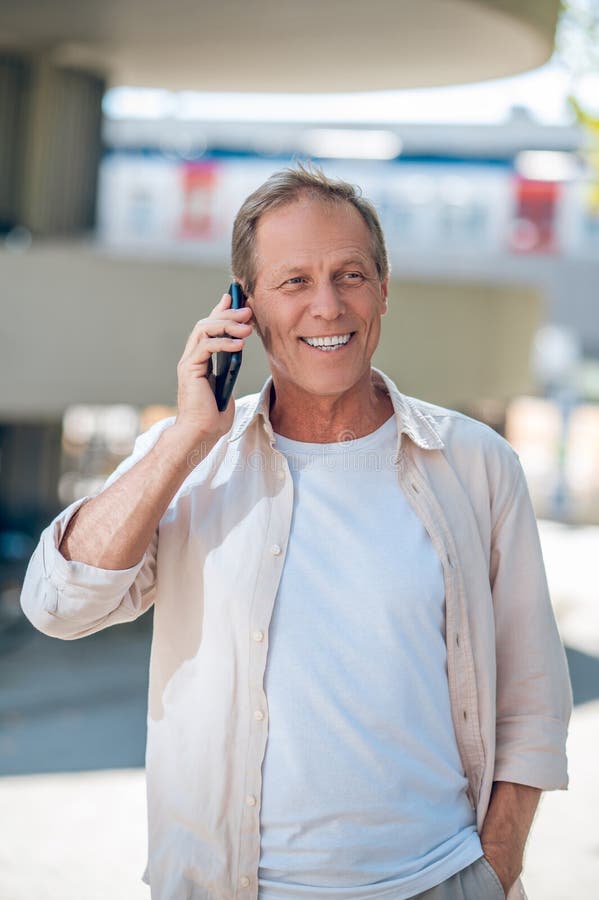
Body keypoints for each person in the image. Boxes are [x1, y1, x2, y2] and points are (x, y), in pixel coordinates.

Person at [21, 165, 572, 900]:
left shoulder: (473, 464)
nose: (327, 306)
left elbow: (531, 695)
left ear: (383, 290)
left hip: (435, 880)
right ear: (241, 309)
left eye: (350, 275)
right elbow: (59, 607)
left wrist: (491, 873)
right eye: (294, 282)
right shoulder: (191, 458)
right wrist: (188, 434)